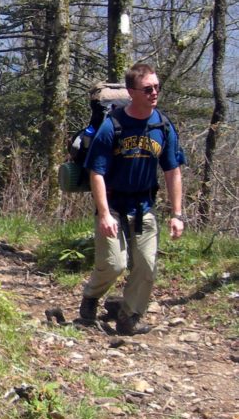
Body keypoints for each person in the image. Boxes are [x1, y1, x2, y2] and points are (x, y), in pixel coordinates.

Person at [76, 62, 186, 335]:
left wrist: (177, 213)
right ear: (131, 91)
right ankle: (90, 297)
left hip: (144, 206)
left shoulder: (162, 125)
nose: (154, 93)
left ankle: (129, 317)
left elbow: (173, 170)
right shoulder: (112, 127)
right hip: (113, 205)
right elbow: (97, 172)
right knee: (114, 264)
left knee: (146, 266)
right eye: (147, 89)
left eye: (157, 87)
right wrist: (103, 214)